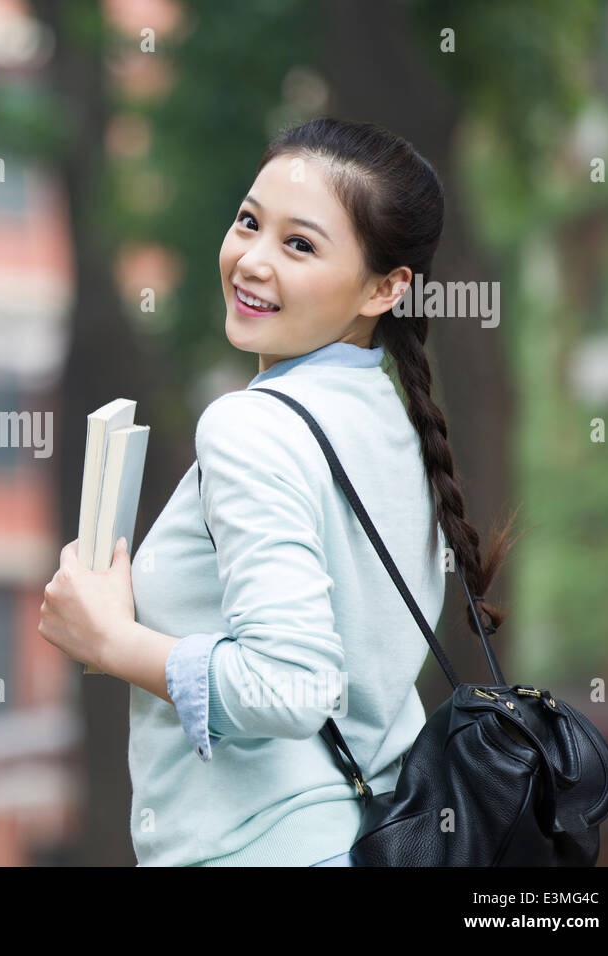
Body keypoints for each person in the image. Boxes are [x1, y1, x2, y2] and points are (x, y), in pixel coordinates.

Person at [38, 117, 519, 866]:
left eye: (300, 245)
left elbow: (292, 687)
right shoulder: (394, 422)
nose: (252, 261)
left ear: (385, 288)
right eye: (249, 223)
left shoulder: (249, 427)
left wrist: (114, 641)